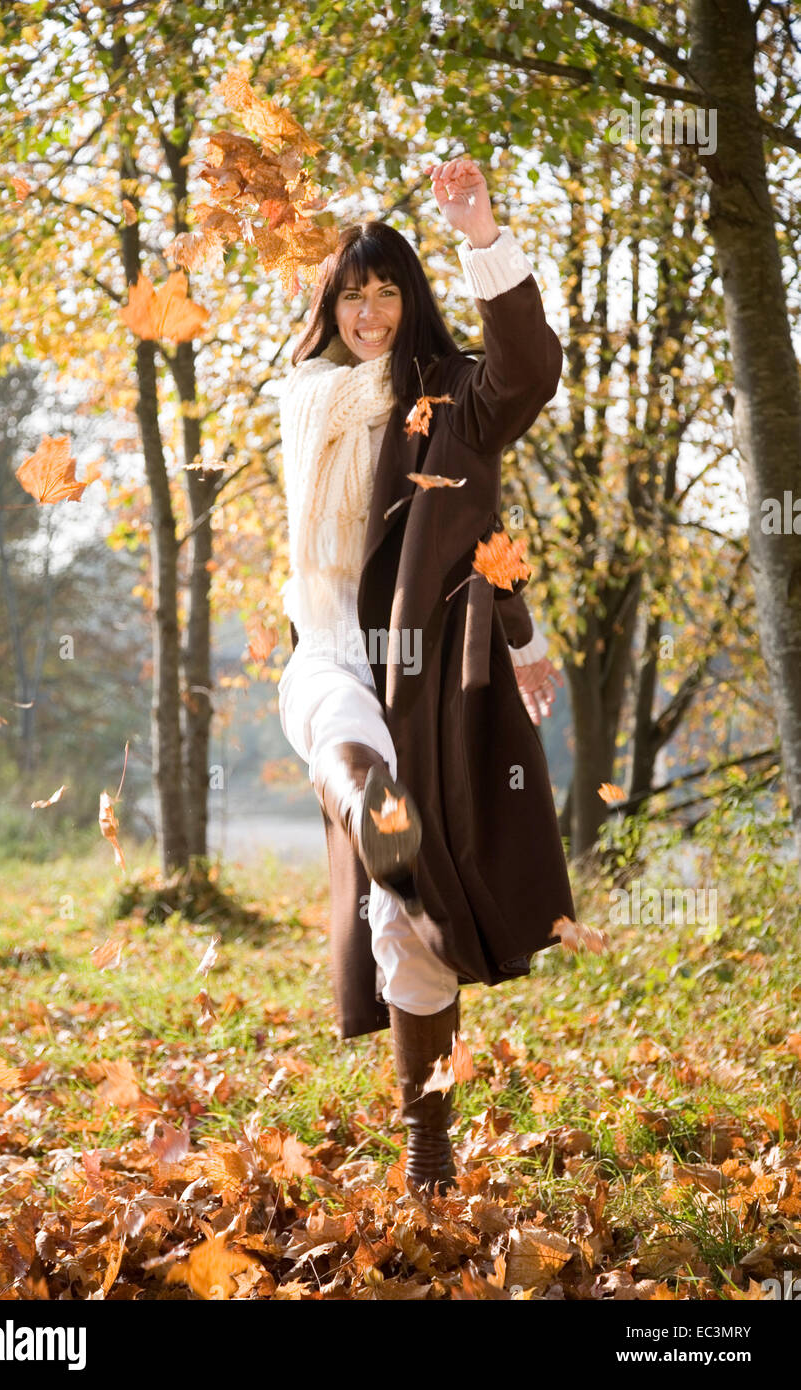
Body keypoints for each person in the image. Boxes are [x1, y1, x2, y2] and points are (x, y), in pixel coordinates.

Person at [276, 155, 575, 1196]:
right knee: (359, 775)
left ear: (412, 301)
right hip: (325, 662)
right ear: (329, 304)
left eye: (387, 288)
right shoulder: (303, 399)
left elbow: (525, 374)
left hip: (421, 679)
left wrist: (483, 233)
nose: (367, 309)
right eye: (351, 292)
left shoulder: (451, 397)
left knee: (405, 916)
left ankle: (427, 1148)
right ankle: (392, 841)